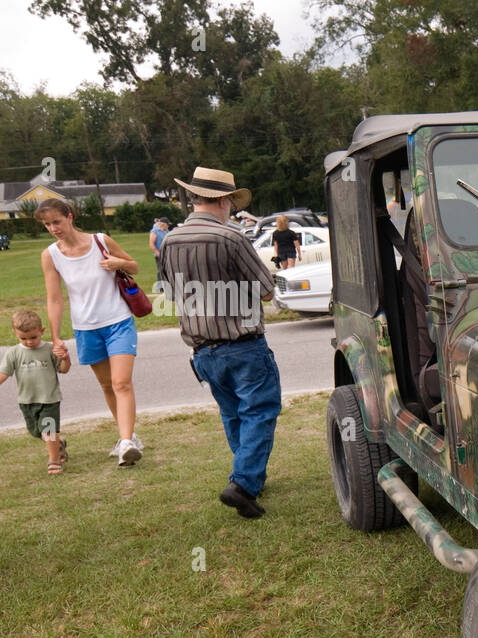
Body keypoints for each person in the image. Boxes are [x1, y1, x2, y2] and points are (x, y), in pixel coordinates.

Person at [159, 166, 280, 519]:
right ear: (224, 201)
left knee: (232, 413)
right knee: (259, 410)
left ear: (195, 198)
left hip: (201, 350)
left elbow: (170, 291)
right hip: (242, 343)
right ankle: (242, 484)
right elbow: (267, 291)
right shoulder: (231, 238)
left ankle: (249, 477)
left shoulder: (170, 241)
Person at [37, 197, 143, 466]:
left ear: (70, 216)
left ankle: (127, 442)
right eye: (48, 224)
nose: (53, 228)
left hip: (118, 321)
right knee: (107, 386)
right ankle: (127, 436)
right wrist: (56, 336)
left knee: (121, 382)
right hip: (85, 328)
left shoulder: (101, 241)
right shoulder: (51, 255)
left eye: (57, 222)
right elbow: (55, 299)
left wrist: (116, 263)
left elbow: (134, 267)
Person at [0, 310, 71, 474]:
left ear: (42, 331)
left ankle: (54, 460)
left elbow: (64, 370)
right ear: (15, 334)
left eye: (33, 337)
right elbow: (3, 373)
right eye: (23, 338)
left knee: (48, 430)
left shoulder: (50, 349)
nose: (29, 342)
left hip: (49, 399)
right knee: (36, 431)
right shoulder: (13, 353)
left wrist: (66, 358)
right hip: (27, 400)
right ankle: (58, 444)